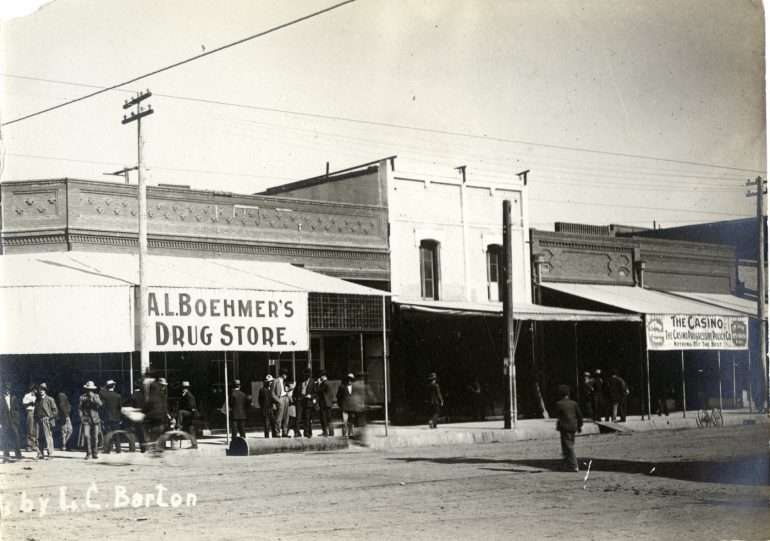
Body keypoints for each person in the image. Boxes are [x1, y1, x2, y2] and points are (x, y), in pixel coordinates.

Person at [554, 384, 583, 472]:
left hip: (564, 427)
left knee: (567, 446)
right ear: (569, 393)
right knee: (569, 445)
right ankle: (567, 464)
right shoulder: (574, 403)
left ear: (560, 394)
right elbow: (579, 416)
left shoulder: (559, 404)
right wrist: (579, 426)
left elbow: (556, 414)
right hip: (573, 426)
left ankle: (574, 465)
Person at [78, 381, 102, 459]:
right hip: (86, 420)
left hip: (95, 420)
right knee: (86, 435)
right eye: (88, 389)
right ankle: (88, 453)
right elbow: (79, 408)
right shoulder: (82, 397)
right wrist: (81, 417)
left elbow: (100, 404)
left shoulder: (96, 396)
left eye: (91, 389)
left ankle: (95, 453)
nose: (89, 391)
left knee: (95, 437)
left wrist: (92, 399)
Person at [34, 383, 58, 459]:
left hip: (46, 420)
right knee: (38, 437)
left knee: (48, 437)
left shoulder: (50, 399)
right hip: (38, 420)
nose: (41, 391)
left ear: (45, 390)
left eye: (43, 389)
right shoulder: (37, 399)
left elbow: (55, 411)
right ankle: (40, 453)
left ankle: (50, 453)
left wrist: (49, 417)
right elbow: (35, 410)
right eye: (40, 389)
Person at [0, 383, 22, 463]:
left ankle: (18, 454)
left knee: (16, 436)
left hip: (13, 421)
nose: (7, 391)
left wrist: (16, 419)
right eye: (6, 389)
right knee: (5, 438)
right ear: (4, 390)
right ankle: (6, 454)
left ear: (10, 390)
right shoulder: (1, 399)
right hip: (5, 421)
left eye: (8, 389)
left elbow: (17, 409)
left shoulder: (13, 398)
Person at [101, 380, 123, 453]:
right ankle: (118, 449)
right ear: (114, 386)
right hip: (116, 417)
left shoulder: (105, 396)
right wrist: (120, 418)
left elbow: (103, 407)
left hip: (107, 417)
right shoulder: (118, 396)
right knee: (116, 433)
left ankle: (107, 450)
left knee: (108, 433)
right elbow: (120, 408)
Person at [296, 367, 318, 438]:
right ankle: (297, 432)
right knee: (298, 417)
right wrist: (295, 398)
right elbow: (296, 390)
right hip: (300, 400)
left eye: (308, 375)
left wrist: (311, 396)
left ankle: (307, 432)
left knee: (307, 418)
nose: (306, 377)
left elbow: (316, 393)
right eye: (305, 375)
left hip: (308, 401)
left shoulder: (313, 382)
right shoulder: (300, 381)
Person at [177, 381, 199, 448]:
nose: (184, 388)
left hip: (190, 412)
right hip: (187, 413)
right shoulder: (184, 394)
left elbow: (192, 406)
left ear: (187, 388)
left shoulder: (189, 395)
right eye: (183, 387)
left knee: (180, 412)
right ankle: (194, 444)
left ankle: (178, 427)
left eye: (185, 387)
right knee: (190, 428)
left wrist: (185, 409)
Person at [271, 369, 290, 438]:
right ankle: (277, 432)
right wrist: (278, 400)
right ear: (283, 374)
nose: (286, 376)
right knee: (279, 417)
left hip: (286, 398)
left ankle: (285, 432)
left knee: (286, 417)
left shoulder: (284, 382)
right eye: (286, 375)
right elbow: (272, 393)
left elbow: (285, 390)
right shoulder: (275, 381)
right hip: (280, 399)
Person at [129, 379, 147, 451]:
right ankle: (143, 448)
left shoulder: (132, 395)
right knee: (142, 432)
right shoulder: (143, 396)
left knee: (134, 432)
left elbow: (130, 405)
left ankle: (132, 448)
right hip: (142, 415)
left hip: (134, 415)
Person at [317, 370, 335, 437]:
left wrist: (318, 383)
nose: (320, 378)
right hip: (329, 403)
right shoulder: (329, 383)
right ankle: (331, 432)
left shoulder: (324, 383)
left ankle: (325, 432)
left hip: (324, 403)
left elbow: (319, 391)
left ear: (323, 376)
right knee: (329, 418)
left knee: (323, 418)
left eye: (320, 376)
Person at [22, 384, 37, 451]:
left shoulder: (35, 397)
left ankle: (33, 445)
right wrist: (30, 402)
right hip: (29, 412)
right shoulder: (27, 395)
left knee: (34, 430)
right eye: (36, 389)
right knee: (29, 429)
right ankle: (28, 445)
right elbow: (24, 402)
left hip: (35, 413)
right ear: (33, 389)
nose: (37, 391)